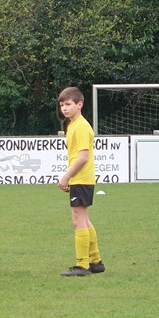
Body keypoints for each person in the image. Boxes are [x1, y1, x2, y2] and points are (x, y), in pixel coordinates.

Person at [57, 87, 105, 277]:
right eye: (62, 105)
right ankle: (95, 261)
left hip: (82, 178)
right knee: (83, 219)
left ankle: (82, 265)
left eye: (68, 104)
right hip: (81, 178)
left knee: (78, 220)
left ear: (79, 104)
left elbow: (83, 157)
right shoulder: (72, 125)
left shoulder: (81, 127)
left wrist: (66, 176)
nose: (64, 108)